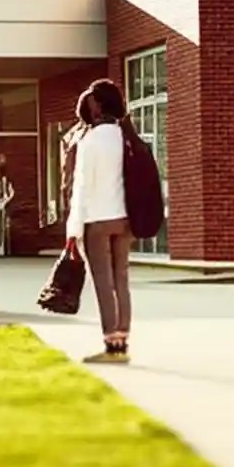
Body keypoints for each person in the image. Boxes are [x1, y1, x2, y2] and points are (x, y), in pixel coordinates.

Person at [66, 79, 138, 364]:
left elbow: (81, 187)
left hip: (97, 220)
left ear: (97, 106)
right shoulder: (126, 136)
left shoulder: (90, 141)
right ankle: (122, 343)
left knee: (103, 283)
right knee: (121, 280)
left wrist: (73, 229)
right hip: (124, 219)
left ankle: (111, 346)